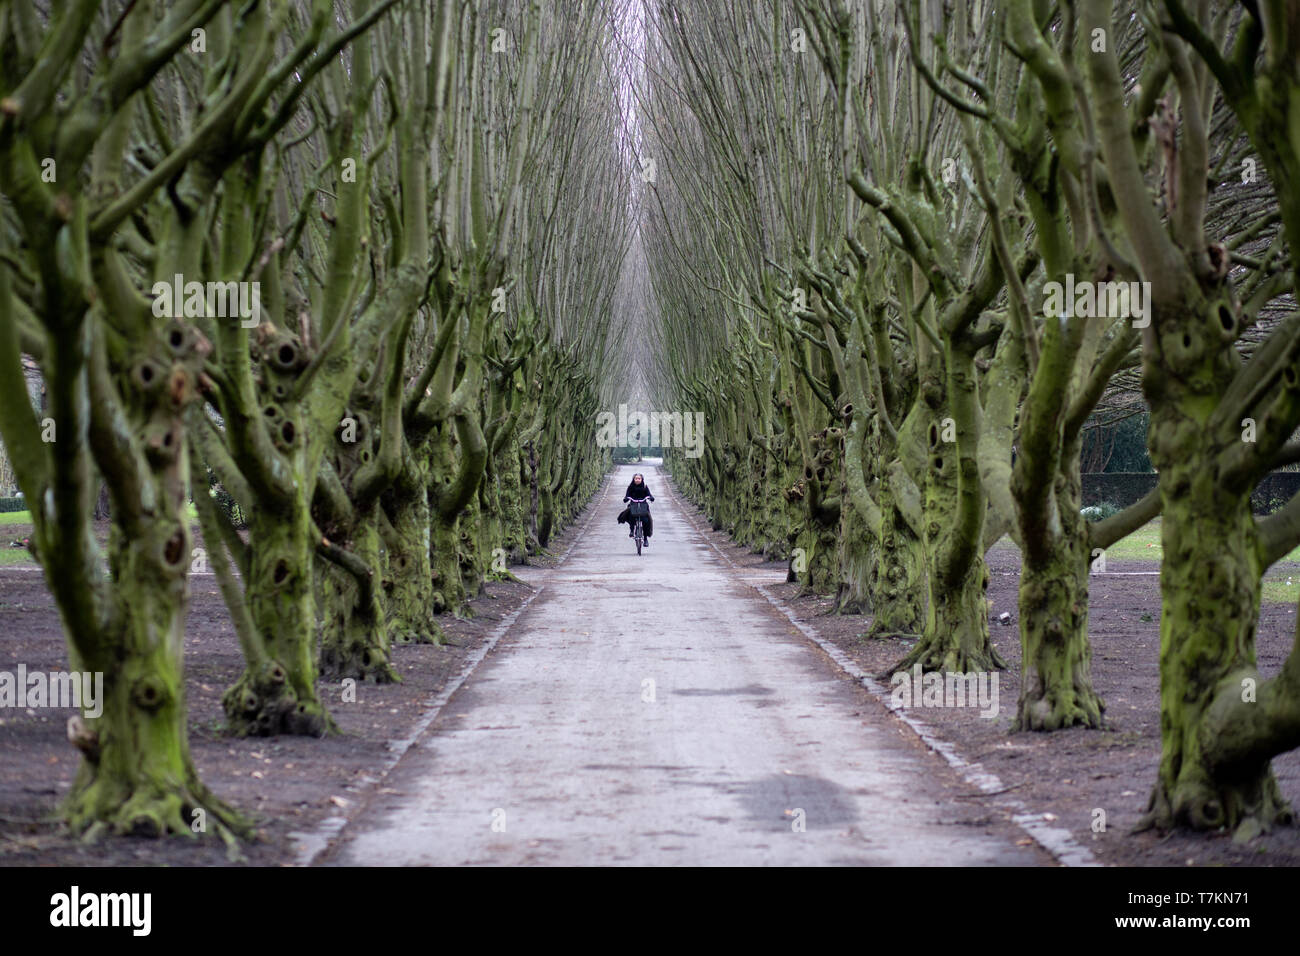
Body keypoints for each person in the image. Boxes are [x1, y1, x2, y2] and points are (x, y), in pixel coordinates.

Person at [618, 473, 655, 544]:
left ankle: (645, 539)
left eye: (639, 479)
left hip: (643, 505)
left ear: (642, 479)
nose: (637, 480)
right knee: (630, 515)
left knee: (646, 520)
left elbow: (649, 494)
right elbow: (627, 495)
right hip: (633, 505)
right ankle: (632, 530)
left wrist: (651, 498)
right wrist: (626, 498)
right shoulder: (630, 487)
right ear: (633, 479)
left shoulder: (645, 487)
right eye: (636, 478)